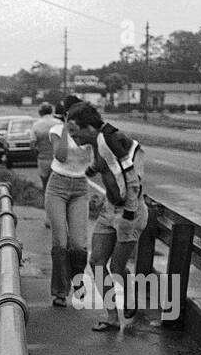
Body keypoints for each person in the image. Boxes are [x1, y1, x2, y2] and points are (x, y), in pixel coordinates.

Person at [65, 101, 149, 331]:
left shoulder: (110, 141)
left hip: (128, 212)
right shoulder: (97, 142)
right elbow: (101, 167)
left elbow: (131, 178)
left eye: (75, 132)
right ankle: (112, 317)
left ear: (89, 127)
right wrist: (91, 174)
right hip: (109, 209)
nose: (74, 139)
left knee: (118, 268)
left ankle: (129, 297)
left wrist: (129, 213)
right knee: (96, 261)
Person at [44, 95, 93, 307]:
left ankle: (78, 282)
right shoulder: (56, 131)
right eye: (69, 115)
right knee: (60, 243)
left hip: (80, 187)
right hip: (57, 186)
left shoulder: (89, 134)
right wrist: (65, 127)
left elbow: (98, 162)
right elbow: (61, 156)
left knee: (79, 245)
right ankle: (60, 292)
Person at [32, 102, 60, 196]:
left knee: (45, 183)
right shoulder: (59, 123)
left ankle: (45, 201)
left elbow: (32, 144)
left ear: (40, 113)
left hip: (43, 158)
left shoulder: (36, 125)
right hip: (57, 158)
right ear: (51, 111)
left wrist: (36, 154)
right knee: (56, 184)